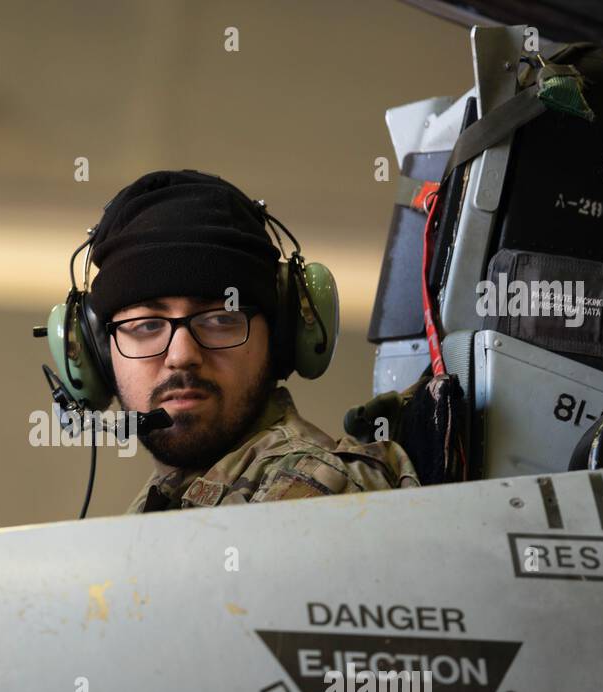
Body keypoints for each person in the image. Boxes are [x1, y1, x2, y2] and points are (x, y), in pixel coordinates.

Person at [82, 170, 420, 513]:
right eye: (146, 325)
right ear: (101, 353)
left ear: (281, 337)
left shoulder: (312, 489)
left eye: (219, 320)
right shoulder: (168, 500)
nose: (182, 355)